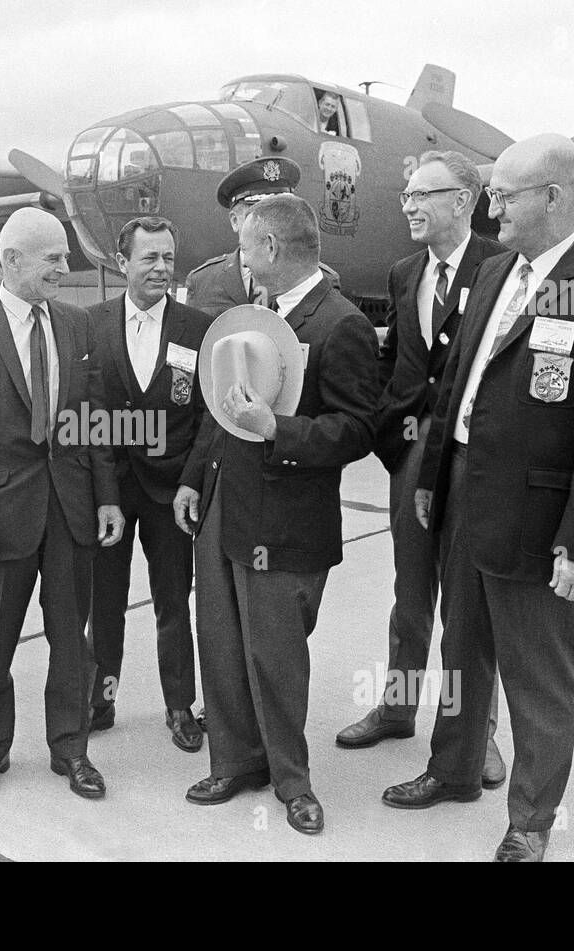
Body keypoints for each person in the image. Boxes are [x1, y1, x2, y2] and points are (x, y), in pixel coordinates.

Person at [384, 135, 574, 862]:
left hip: (542, 518)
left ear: (557, 199)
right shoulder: (496, 271)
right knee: (460, 647)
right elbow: (456, 392)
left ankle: (531, 820)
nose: (492, 207)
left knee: (537, 675)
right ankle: (454, 767)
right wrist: (434, 482)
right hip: (467, 489)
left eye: (506, 195)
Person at [175, 194, 379, 835]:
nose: (241, 257)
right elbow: (220, 408)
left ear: (269, 249)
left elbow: (357, 430)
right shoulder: (257, 316)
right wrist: (191, 480)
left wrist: (278, 430)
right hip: (223, 506)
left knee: (276, 656)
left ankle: (293, 781)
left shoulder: (338, 322)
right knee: (222, 642)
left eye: (246, 245)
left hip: (287, 518)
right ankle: (236, 762)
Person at [0, 208, 124, 802]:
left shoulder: (75, 325)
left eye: (65, 258)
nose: (66, 269)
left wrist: (108, 499)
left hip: (70, 514)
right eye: (55, 258)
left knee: (73, 641)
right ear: (12, 260)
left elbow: (90, 422)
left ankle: (71, 750)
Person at [337, 150, 507, 789]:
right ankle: (398, 706)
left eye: (421, 194)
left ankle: (476, 730)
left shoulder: (501, 266)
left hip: (472, 460)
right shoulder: (405, 271)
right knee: (410, 597)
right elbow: (399, 359)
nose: (407, 205)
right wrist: (392, 436)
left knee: (469, 609)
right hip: (413, 454)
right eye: (405, 195)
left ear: (462, 200)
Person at [85, 216, 212, 752]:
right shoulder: (87, 325)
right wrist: (104, 494)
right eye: (149, 258)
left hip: (171, 493)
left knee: (172, 602)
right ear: (122, 263)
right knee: (104, 601)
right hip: (110, 491)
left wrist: (190, 482)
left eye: (168, 257)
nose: (161, 268)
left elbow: (208, 417)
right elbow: (85, 415)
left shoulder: (198, 328)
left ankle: (180, 705)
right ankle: (99, 697)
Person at [184, 158, 338, 316]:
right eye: (257, 214)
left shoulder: (319, 279)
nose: (269, 223)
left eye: (278, 214)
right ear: (235, 221)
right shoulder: (203, 281)